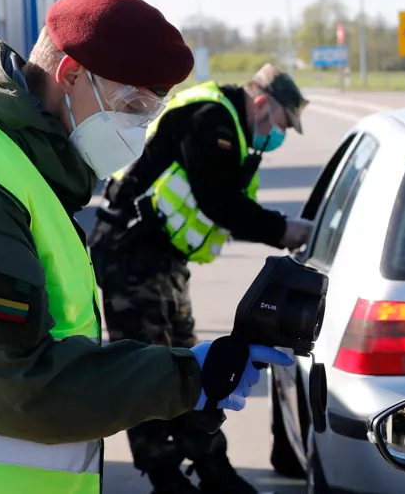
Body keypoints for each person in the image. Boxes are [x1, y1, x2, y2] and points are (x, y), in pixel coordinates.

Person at [0, 0, 293, 494]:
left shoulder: (21, 166)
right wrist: (187, 376)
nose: (136, 130)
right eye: (130, 104)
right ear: (71, 74)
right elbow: (6, 383)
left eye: (148, 113)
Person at [86, 63, 313, 492]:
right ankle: (164, 473)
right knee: (148, 366)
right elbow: (219, 202)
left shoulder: (232, 130)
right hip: (130, 254)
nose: (278, 136)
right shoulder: (211, 120)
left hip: (163, 259)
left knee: (191, 364)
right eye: (281, 125)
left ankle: (211, 463)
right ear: (262, 104)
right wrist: (283, 231)